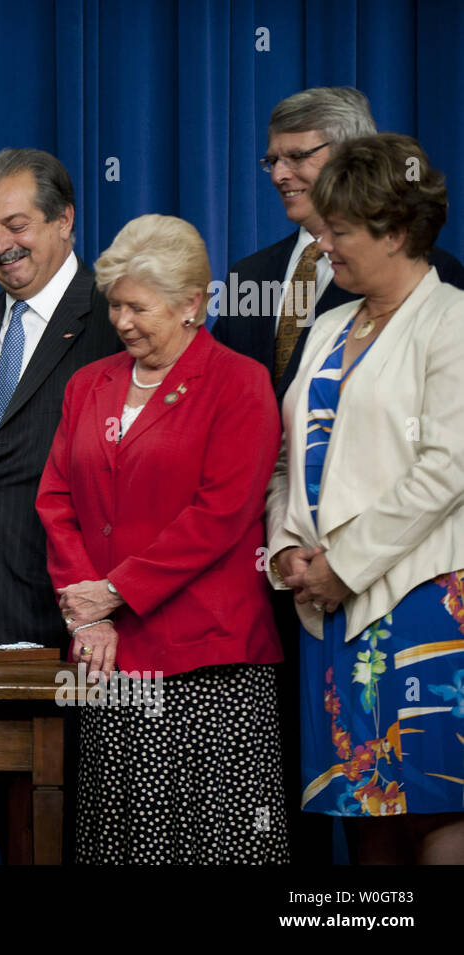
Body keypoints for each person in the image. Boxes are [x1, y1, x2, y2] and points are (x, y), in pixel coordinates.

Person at [37, 213, 289, 863]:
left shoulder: (239, 383)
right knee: (119, 840)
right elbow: (56, 499)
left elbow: (221, 513)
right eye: (114, 304)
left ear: (192, 305)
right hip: (108, 660)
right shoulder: (87, 385)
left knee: (214, 843)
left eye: (137, 307)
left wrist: (114, 593)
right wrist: (87, 612)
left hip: (210, 662)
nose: (120, 321)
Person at [267, 134, 464, 864]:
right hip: (328, 614)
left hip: (423, 604)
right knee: (363, 812)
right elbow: (284, 458)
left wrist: (343, 562)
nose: (321, 248)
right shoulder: (324, 328)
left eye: (338, 232)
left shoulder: (453, 323)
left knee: (435, 809)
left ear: (399, 231)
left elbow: (447, 469)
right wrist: (286, 546)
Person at [0, 148, 118, 648]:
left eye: (16, 225)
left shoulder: (116, 319)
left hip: (84, 621)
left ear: (64, 219)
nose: (0, 245)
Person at [214, 86, 464, 399]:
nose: (278, 175)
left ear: (354, 156)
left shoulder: (428, 270)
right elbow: (214, 384)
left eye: (296, 157)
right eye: (272, 160)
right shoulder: (248, 275)